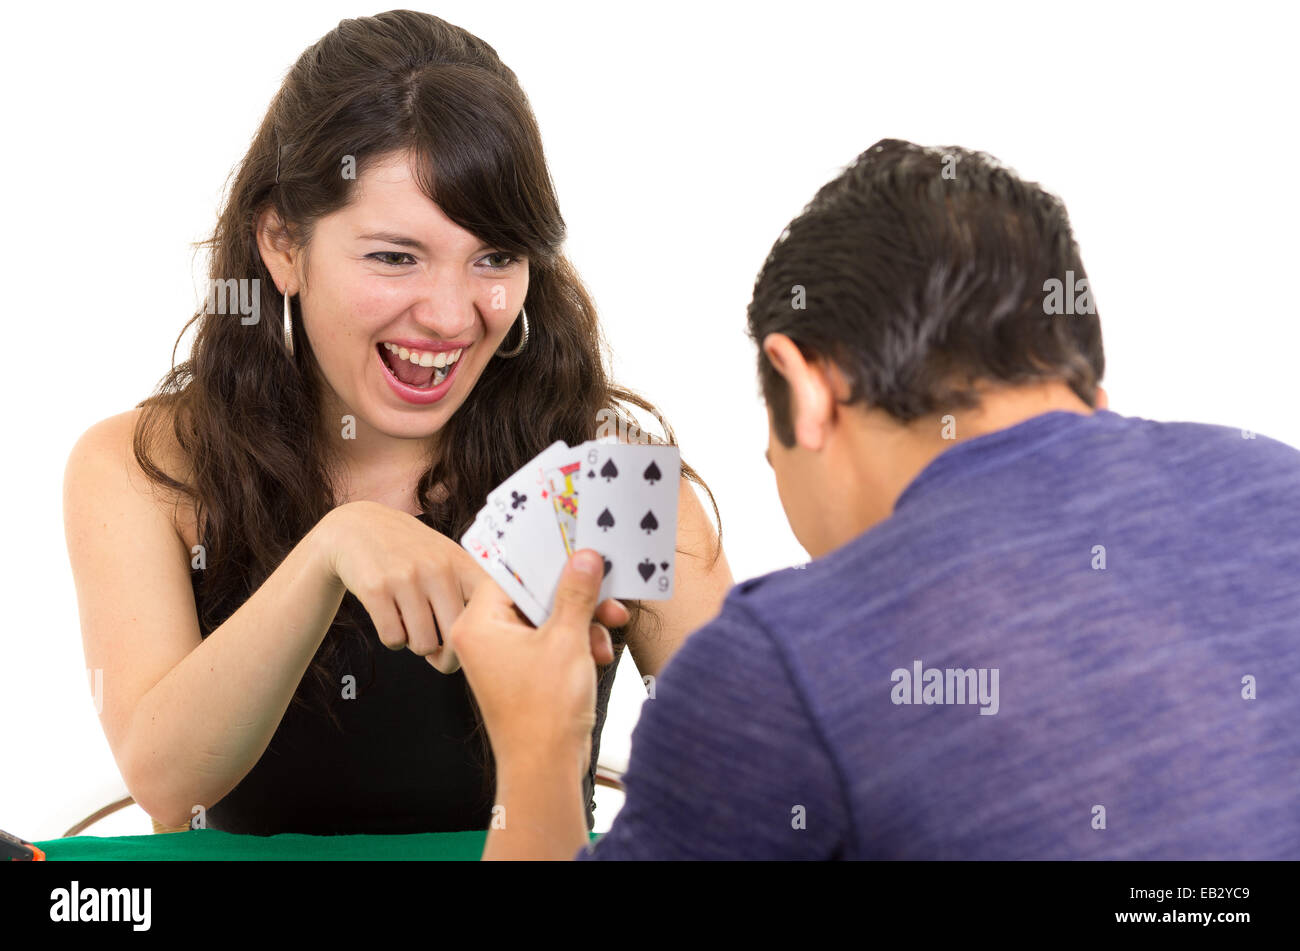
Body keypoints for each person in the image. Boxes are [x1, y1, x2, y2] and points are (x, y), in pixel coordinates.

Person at [450, 138, 1300, 860]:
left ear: (804, 385)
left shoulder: (776, 660)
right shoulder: (1281, 483)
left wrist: (535, 751)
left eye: (770, 437)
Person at [61, 10, 732, 836]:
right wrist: (331, 550)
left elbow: (765, 779)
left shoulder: (602, 478)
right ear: (281, 243)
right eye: (394, 256)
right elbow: (169, 783)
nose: (452, 316)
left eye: (494, 258)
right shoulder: (144, 468)